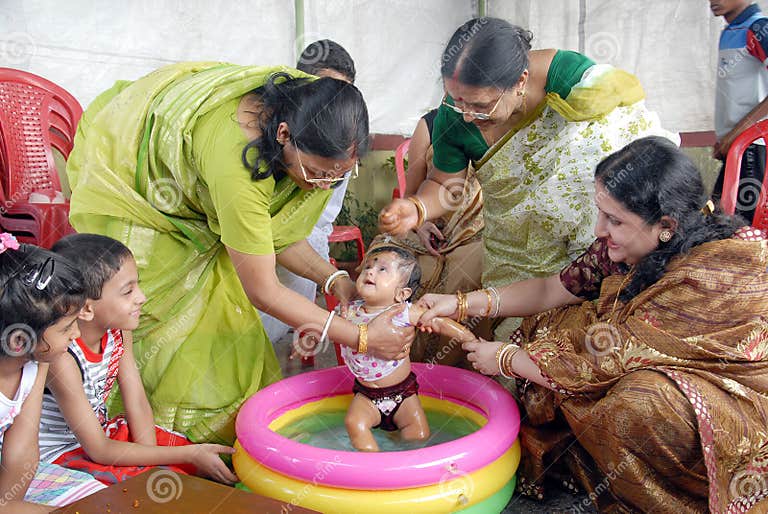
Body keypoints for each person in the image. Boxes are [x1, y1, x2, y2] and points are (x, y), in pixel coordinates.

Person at [65, 62, 414, 444]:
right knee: (163, 326)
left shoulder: (320, 112)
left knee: (233, 335)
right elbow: (262, 288)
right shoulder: (237, 166)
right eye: (317, 173)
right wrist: (362, 338)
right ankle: (158, 444)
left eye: (339, 176)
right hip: (141, 193)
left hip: (207, 187)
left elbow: (274, 234)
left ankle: (228, 439)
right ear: (283, 135)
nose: (323, 187)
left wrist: (337, 280)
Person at [417, 137, 768, 512]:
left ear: (666, 225)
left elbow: (610, 354)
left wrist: (506, 358)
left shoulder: (715, 272)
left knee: (640, 400)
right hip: (637, 361)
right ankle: (601, 464)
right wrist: (459, 304)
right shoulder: (630, 246)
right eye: (601, 213)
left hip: (733, 404)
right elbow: (552, 290)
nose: (600, 229)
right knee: (551, 325)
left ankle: (681, 498)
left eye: (614, 220)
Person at [379, 18, 676, 342]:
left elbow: (618, 133)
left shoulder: (569, 78)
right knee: (519, 334)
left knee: (597, 326)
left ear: (521, 80)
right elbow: (443, 185)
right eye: (456, 99)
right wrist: (417, 209)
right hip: (518, 245)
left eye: (479, 105)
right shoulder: (455, 114)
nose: (465, 114)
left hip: (588, 237)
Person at [41, 234, 237, 485]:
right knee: (159, 482)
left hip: (102, 433)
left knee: (192, 464)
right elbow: (98, 450)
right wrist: (161, 466)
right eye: (128, 291)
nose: (141, 297)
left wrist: (154, 460)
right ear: (87, 309)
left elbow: (135, 396)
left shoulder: (119, 331)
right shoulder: (63, 358)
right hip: (64, 454)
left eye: (138, 285)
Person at [260, 39, 359, 346]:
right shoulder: (262, 134)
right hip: (255, 240)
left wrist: (331, 278)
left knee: (289, 313)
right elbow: (264, 235)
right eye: (324, 90)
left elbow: (306, 227)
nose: (331, 104)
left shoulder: (345, 144)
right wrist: (362, 338)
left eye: (342, 94)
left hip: (303, 238)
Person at [332, 244, 477, 451]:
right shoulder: (349, 310)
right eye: (368, 267)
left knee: (419, 435)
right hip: (366, 395)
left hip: (403, 395)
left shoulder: (402, 312)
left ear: (402, 293)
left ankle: (406, 465)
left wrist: (467, 336)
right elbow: (327, 327)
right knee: (354, 423)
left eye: (382, 269)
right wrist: (309, 337)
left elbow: (438, 322)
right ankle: (374, 469)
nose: (371, 271)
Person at [372, 108, 486, 369]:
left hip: (476, 233)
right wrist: (421, 225)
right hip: (427, 227)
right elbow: (411, 194)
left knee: (468, 274)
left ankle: (455, 372)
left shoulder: (496, 123)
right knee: (386, 264)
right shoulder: (430, 124)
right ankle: (390, 366)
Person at [0, 234, 106, 512]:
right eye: (66, 327)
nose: (77, 333)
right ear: (19, 341)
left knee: (98, 498)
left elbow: (23, 449)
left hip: (9, 480)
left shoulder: (35, 364)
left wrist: (11, 504)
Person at [709, 0, 768, 223]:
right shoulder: (730, 31)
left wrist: (733, 137)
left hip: (754, 148)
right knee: (719, 221)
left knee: (741, 231)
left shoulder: (759, 29)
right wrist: (727, 139)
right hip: (735, 147)